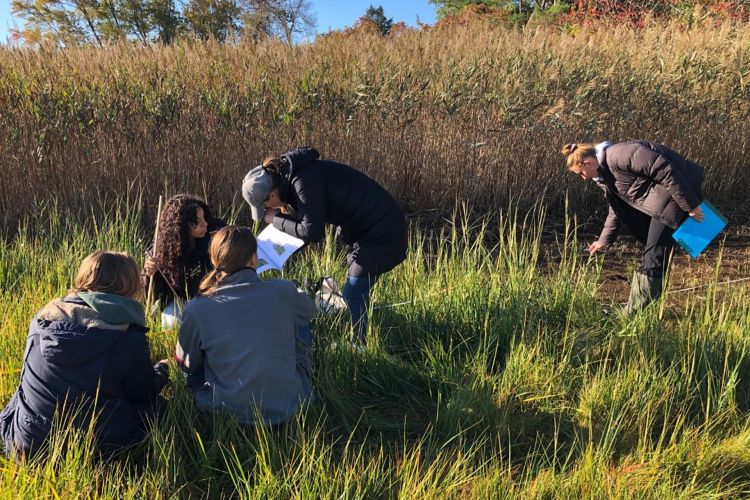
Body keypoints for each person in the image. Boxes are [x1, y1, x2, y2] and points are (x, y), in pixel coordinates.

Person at [0, 251, 169, 460]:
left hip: (24, 444)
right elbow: (142, 393)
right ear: (130, 285)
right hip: (94, 449)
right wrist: (162, 369)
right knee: (159, 408)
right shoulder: (128, 338)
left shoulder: (41, 321)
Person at [241, 147, 408, 343]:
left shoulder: (302, 181)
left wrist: (277, 219)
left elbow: (312, 231)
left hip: (383, 231)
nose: (267, 211)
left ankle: (359, 348)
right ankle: (360, 341)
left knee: (353, 295)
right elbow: (307, 228)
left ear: (271, 196)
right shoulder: (295, 179)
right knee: (356, 292)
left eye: (265, 208)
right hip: (369, 230)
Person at [175, 225, 317, 426]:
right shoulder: (284, 290)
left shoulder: (198, 307)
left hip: (226, 413)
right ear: (253, 258)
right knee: (301, 321)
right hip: (292, 407)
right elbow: (311, 312)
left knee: (192, 362)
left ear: (215, 260)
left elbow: (185, 362)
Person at [563, 140, 705, 314]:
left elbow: (666, 171)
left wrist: (690, 205)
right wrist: (604, 241)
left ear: (588, 163)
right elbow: (616, 209)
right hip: (666, 200)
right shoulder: (604, 175)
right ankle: (647, 308)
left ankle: (633, 312)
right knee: (658, 255)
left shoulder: (622, 154)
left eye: (580, 173)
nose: (583, 178)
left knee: (653, 256)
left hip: (674, 199)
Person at [143, 194, 225, 328]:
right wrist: (151, 274)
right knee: (172, 323)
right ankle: (176, 349)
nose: (205, 224)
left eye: (204, 218)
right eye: (197, 221)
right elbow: (151, 295)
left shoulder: (213, 236)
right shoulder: (161, 251)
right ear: (181, 225)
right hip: (177, 300)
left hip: (210, 296)